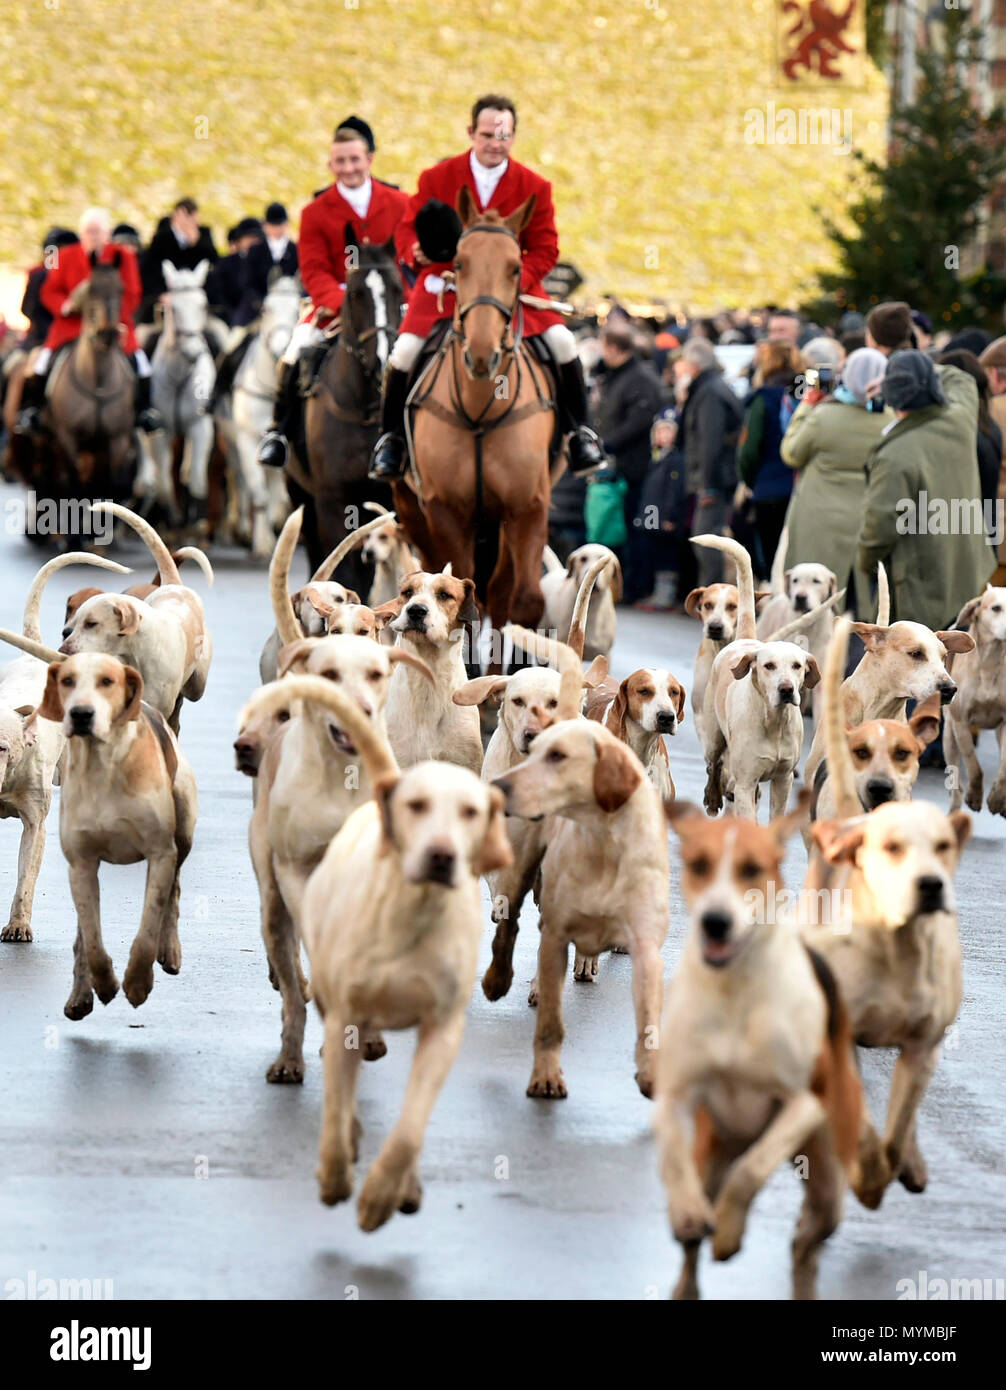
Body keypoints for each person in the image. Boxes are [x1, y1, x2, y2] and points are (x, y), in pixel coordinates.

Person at [369, 93, 603, 481]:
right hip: (446, 284)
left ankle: (581, 434)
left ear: (513, 136)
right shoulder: (436, 178)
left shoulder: (536, 186)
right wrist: (416, 251)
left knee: (563, 344)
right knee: (404, 352)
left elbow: (546, 248)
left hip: (509, 289)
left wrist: (513, 282)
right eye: (487, 134)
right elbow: (407, 229)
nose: (495, 143)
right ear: (470, 133)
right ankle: (390, 440)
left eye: (503, 135)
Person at [256, 117, 409, 469]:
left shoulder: (400, 203)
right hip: (336, 308)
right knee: (294, 352)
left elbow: (406, 263)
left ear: (369, 159)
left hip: (390, 306)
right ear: (331, 165)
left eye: (355, 160)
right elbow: (313, 270)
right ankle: (279, 431)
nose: (348, 168)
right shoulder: (314, 212)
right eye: (340, 161)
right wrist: (345, 306)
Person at [857, 352, 994, 630]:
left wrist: (866, 564)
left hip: (922, 588)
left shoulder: (895, 455)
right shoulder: (960, 417)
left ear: (892, 395)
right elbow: (961, 378)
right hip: (967, 572)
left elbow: (878, 531)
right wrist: (918, 374)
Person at [16, 206, 161, 436]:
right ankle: (31, 410)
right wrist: (65, 306)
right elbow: (49, 292)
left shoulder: (122, 257)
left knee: (142, 363)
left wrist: (115, 319)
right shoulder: (63, 257)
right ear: (82, 233)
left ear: (107, 234)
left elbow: (133, 292)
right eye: (89, 231)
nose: (93, 237)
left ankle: (145, 411)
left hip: (114, 324)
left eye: (98, 231)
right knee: (42, 362)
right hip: (71, 326)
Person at [780, 346, 889, 615]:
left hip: (819, 517)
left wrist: (806, 406)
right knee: (863, 602)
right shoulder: (889, 420)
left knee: (814, 604)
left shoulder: (823, 416)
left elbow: (791, 452)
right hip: (867, 515)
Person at [593, 322, 665, 602]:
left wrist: (607, 443)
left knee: (636, 530)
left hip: (636, 469)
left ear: (612, 347)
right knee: (618, 529)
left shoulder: (639, 379)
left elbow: (640, 420)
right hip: (621, 467)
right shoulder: (618, 376)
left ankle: (633, 586)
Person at [673, 337, 744, 585]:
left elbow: (709, 441)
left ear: (693, 364)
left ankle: (713, 595)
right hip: (712, 477)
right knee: (705, 540)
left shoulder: (709, 392)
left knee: (706, 542)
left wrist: (708, 484)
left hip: (714, 479)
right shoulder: (709, 387)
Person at [735, 339, 803, 580]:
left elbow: (749, 449)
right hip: (802, 488)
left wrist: (749, 481)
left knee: (774, 563)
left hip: (769, 486)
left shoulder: (763, 399)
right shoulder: (806, 396)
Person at [139, 197, 219, 323]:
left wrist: (196, 244)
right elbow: (149, 270)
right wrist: (160, 295)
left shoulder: (203, 235)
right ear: (178, 215)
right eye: (189, 217)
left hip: (196, 297)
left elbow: (214, 262)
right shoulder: (162, 237)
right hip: (167, 298)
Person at [243, 203, 298, 316]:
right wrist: (258, 302)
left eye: (280, 225)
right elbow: (248, 281)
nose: (277, 230)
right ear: (265, 226)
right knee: (238, 330)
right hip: (260, 306)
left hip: (291, 305)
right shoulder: (255, 251)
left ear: (286, 225)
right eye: (273, 226)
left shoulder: (296, 250)